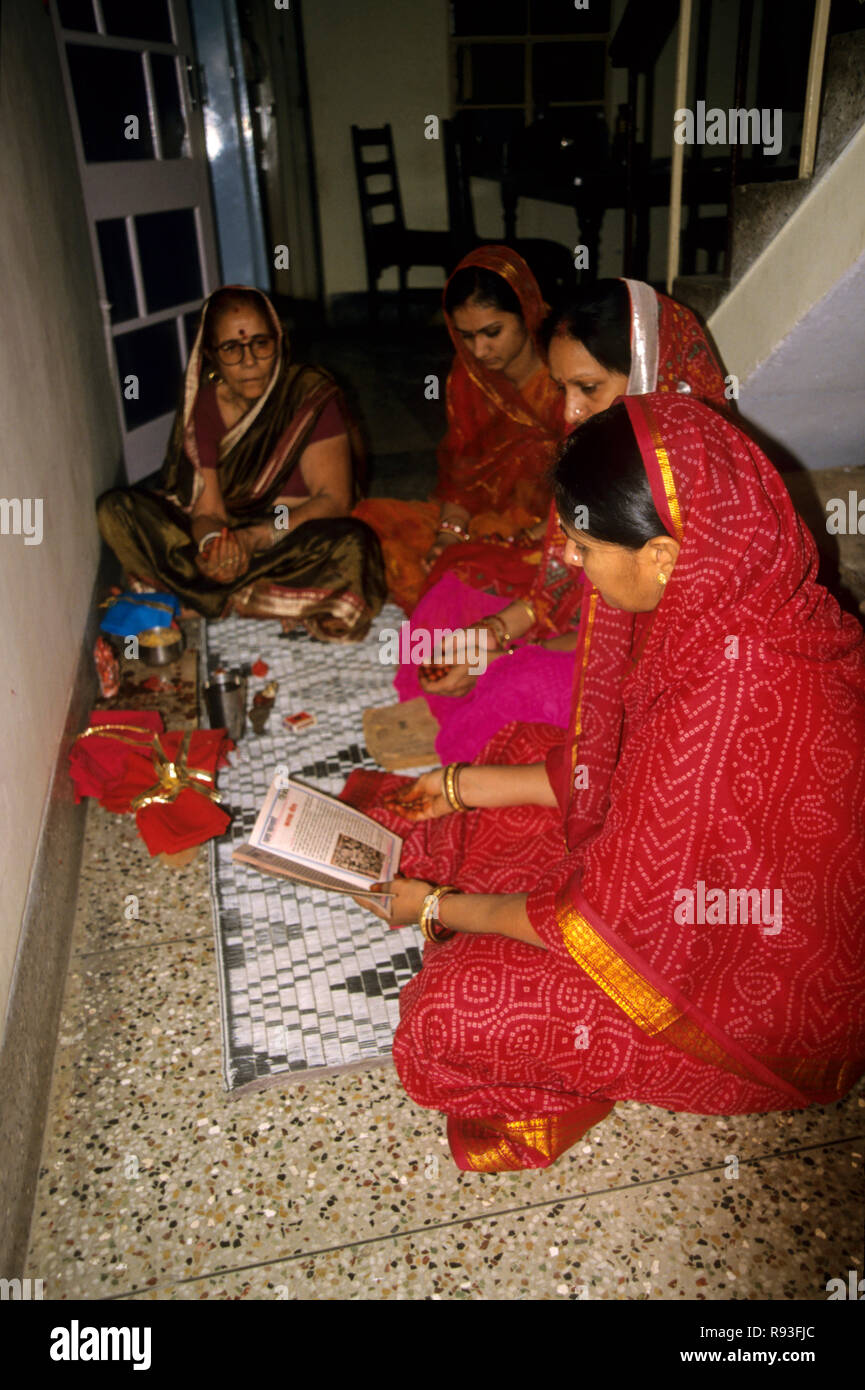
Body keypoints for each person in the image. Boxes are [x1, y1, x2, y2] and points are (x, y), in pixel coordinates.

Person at [345, 393, 865, 1172]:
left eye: (583, 546)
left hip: (755, 1003)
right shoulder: (726, 592)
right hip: (699, 909)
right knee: (517, 754)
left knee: (440, 1021)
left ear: (658, 553)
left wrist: (437, 911)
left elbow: (607, 920)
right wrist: (460, 786)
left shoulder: (726, 695)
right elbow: (615, 766)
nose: (568, 562)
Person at [394, 279, 729, 762]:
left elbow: (642, 640)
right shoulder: (599, 443)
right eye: (563, 388)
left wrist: (508, 653)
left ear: (649, 371)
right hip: (588, 625)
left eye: (588, 388)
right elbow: (563, 571)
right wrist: (494, 633)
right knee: (447, 604)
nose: (570, 411)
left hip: (668, 676)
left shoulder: (698, 477)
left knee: (516, 685)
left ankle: (480, 762)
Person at [97, 286, 386, 641]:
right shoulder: (205, 406)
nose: (249, 361)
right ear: (211, 356)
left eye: (260, 344)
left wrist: (255, 538)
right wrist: (213, 548)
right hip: (233, 542)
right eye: (232, 348)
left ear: (278, 342)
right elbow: (208, 512)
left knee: (354, 544)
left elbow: (334, 500)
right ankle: (264, 600)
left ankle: (197, 601)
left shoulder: (307, 393)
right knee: (118, 510)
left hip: (292, 536)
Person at [353, 245, 565, 613]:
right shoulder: (468, 377)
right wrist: (447, 536)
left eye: (492, 332)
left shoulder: (565, 371)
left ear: (527, 310)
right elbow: (463, 476)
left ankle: (471, 593)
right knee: (367, 523)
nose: (479, 350)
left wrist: (520, 538)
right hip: (486, 523)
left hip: (555, 527)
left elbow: (591, 489)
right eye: (466, 336)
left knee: (484, 570)